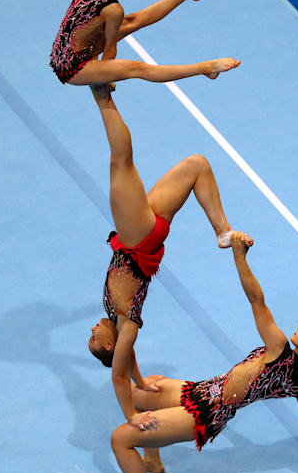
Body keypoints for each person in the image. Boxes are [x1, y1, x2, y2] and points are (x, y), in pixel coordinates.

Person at [108, 232, 298, 473]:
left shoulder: (279, 349)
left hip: (207, 413)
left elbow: (257, 300)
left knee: (120, 438)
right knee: (138, 394)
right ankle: (152, 461)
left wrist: (239, 256)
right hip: (202, 390)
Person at [86, 84, 252, 432]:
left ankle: (223, 232)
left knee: (197, 165)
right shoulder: (126, 325)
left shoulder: (117, 324)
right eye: (93, 339)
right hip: (137, 238)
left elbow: (126, 361)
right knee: (120, 162)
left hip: (142, 231)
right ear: (108, 344)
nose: (91, 329)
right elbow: (118, 374)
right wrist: (131, 413)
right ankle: (102, 96)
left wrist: (142, 379)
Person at [50, 0, 240, 86]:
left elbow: (79, 20)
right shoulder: (113, 9)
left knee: (133, 20)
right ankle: (206, 68)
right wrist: (105, 79)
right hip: (71, 66)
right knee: (138, 68)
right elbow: (109, 53)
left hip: (65, 46)